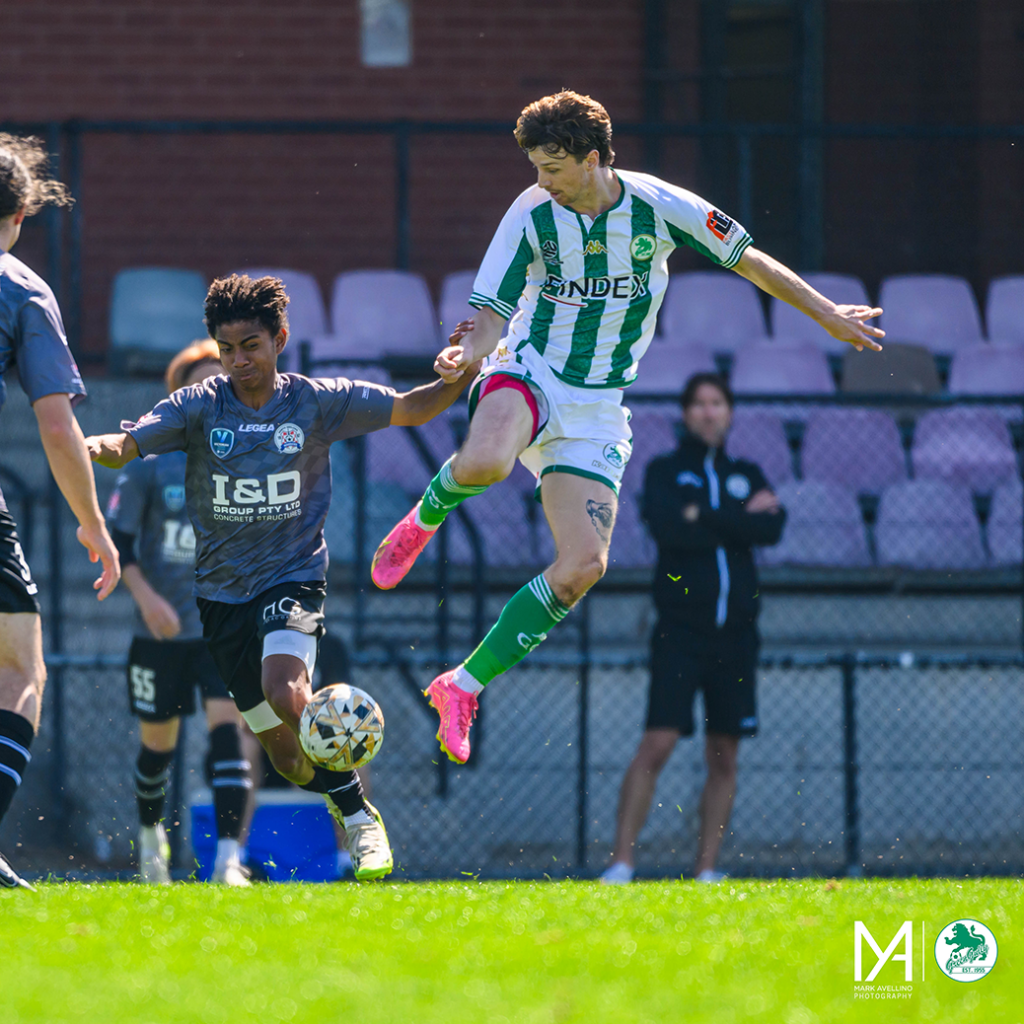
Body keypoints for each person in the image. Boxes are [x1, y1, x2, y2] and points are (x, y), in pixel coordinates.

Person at [370, 90, 883, 765]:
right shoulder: (530, 211)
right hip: (528, 369)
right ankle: (425, 517)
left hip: (598, 407)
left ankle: (461, 685)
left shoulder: (659, 205)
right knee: (489, 462)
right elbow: (491, 314)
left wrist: (827, 314)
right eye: (535, 167)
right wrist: (465, 355)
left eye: (552, 167)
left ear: (592, 159)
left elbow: (749, 259)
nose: (541, 180)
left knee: (584, 567)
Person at [86, 274, 479, 881]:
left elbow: (411, 407)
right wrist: (99, 444)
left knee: (283, 687)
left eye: (251, 345)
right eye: (227, 348)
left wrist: (462, 373)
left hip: (293, 579)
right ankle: (338, 793)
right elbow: (129, 444)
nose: (238, 360)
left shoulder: (316, 401)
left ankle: (360, 818)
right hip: (220, 599)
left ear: (279, 339)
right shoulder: (198, 406)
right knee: (290, 760)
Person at [601, 374, 785, 884]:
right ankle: (622, 863)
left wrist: (702, 515)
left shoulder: (746, 471)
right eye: (700, 403)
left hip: (737, 637)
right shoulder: (664, 471)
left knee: (725, 755)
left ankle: (706, 869)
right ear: (686, 413)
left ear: (729, 411)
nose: (708, 411)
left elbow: (772, 527)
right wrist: (735, 520)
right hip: (679, 634)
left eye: (717, 402)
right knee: (657, 744)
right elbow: (669, 529)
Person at [0, 134, 120, 890]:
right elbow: (55, 423)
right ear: (20, 216)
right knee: (19, 667)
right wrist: (93, 522)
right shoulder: (20, 288)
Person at [107, 340, 251, 885]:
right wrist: (147, 599)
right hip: (160, 634)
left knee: (227, 734)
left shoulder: (248, 459)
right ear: (179, 395)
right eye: (200, 385)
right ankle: (150, 841)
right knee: (157, 747)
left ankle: (228, 860)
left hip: (221, 631)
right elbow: (120, 542)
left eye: (221, 384)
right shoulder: (150, 462)